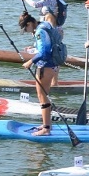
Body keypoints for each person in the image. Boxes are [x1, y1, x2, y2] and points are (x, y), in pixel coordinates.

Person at [19, 8, 59, 136]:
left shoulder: (39, 32)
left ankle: (46, 128)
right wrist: (34, 47)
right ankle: (46, 124)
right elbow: (47, 44)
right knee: (43, 96)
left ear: (30, 24)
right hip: (51, 64)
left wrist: (30, 62)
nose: (26, 31)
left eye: (25, 29)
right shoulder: (44, 25)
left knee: (42, 96)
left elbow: (44, 52)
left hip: (46, 66)